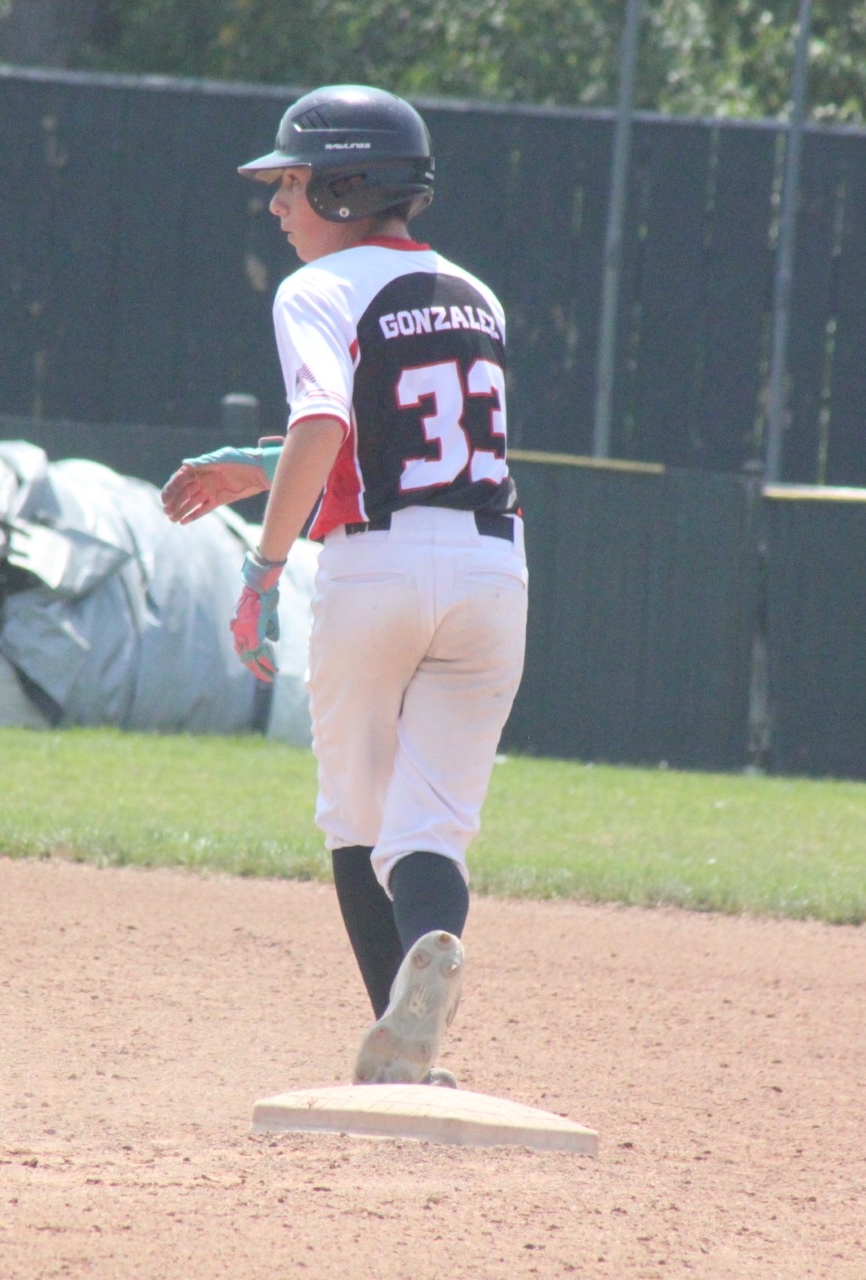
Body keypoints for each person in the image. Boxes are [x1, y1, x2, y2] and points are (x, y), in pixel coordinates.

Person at [162, 85, 526, 1088]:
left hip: (374, 568)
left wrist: (262, 566)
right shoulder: (476, 292)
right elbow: (409, 438)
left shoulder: (314, 291)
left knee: (357, 817)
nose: (278, 204)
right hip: (495, 571)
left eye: (292, 182)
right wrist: (258, 459)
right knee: (432, 828)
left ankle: (398, 1044)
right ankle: (424, 987)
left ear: (347, 181)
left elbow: (327, 422)